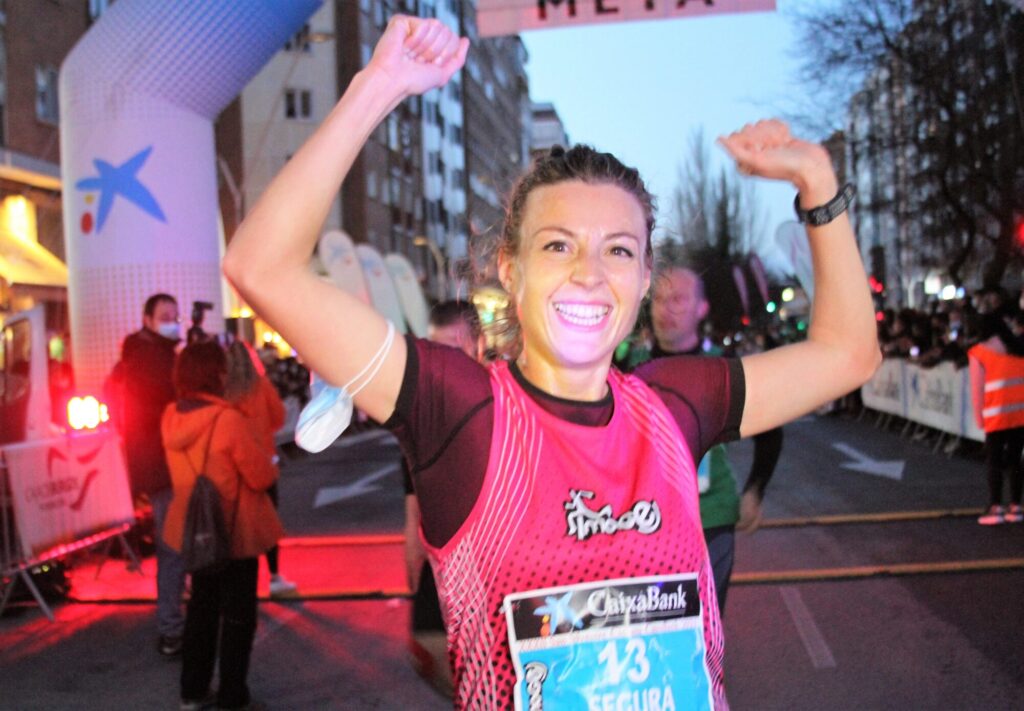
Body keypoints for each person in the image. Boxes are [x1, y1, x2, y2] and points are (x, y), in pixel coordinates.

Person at [222, 16, 879, 709]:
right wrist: (375, 87)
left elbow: (847, 353)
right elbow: (259, 265)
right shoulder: (462, 409)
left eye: (619, 250)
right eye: (559, 246)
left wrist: (817, 181)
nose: (591, 274)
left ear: (645, 274)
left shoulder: (675, 403)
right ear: (511, 269)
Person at [646, 265, 783, 613]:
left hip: (710, 516)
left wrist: (755, 489)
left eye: (678, 299)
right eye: (659, 299)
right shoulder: (626, 367)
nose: (667, 308)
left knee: (704, 623)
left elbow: (770, 431)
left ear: (701, 309)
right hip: (643, 521)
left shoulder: (722, 368)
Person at [161, 340, 284, 711]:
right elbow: (260, 476)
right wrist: (271, 460)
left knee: (200, 609)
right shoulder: (226, 419)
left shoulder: (171, 416)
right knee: (237, 616)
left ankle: (193, 691)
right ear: (216, 374)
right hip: (235, 531)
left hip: (194, 531)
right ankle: (233, 695)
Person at [403, 300, 481, 696]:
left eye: (453, 345)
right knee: (431, 649)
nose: (444, 359)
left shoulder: (500, 398)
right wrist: (411, 546)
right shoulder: (422, 406)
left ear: (477, 345)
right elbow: (411, 487)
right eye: (436, 347)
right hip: (439, 563)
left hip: (488, 564)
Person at [113, 292, 186, 657]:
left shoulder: (147, 354)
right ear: (147, 320)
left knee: (178, 545)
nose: (173, 320)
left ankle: (175, 619)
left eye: (176, 314)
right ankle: (172, 628)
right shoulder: (150, 358)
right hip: (164, 464)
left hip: (162, 463)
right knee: (174, 547)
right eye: (165, 315)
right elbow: (170, 403)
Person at [224, 340, 297, 596]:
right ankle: (274, 576)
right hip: (264, 462)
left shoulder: (224, 392)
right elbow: (279, 417)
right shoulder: (261, 386)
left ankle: (242, 581)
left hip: (233, 466)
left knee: (238, 526)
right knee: (268, 523)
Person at [968, 313, 1024, 525]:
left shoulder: (979, 352)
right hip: (1021, 414)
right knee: (1016, 460)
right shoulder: (1018, 348)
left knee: (995, 461)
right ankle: (1016, 506)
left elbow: (977, 388)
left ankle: (995, 507)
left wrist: (979, 419)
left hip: (996, 414)